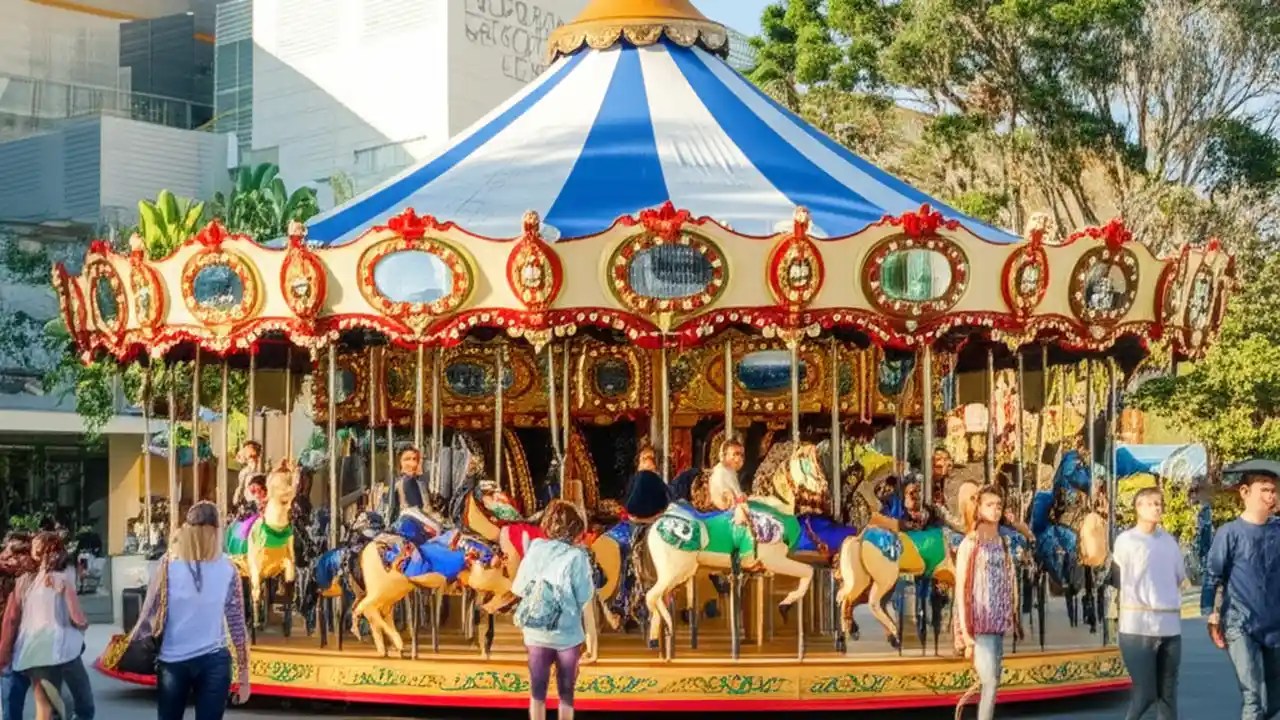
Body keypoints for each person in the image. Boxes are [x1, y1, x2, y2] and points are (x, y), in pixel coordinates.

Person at [139, 502, 251, 720]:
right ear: (217, 532)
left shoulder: (168, 565)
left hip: (175, 660)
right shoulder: (227, 569)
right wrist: (244, 677)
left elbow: (148, 613)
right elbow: (237, 625)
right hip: (210, 661)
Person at [1204, 468, 1280, 720]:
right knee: (1253, 697)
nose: (1271, 496)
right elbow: (1213, 574)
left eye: (1273, 490)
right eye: (1264, 490)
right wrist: (1212, 614)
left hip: (1274, 623)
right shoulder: (1230, 533)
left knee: (1274, 698)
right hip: (1240, 623)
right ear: (1245, 492)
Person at [511, 499, 597, 720]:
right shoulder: (577, 556)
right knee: (566, 692)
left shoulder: (536, 548)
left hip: (535, 634)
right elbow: (584, 595)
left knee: (537, 691)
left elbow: (519, 587)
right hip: (567, 635)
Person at [0, 532, 94, 720]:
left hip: (30, 649)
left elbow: (11, 619)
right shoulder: (59, 576)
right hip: (54, 650)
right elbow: (78, 619)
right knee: (78, 705)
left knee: (43, 707)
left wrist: (4, 653)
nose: (10, 559)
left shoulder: (26, 580)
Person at [1113, 487, 1184, 720]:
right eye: (1151, 503)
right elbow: (1118, 578)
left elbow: (1179, 578)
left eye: (1159, 503)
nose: (1157, 508)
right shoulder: (1126, 541)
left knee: (1168, 695)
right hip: (1137, 627)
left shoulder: (1169, 542)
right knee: (1146, 693)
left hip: (1170, 626)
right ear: (1138, 507)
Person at [953, 485, 1021, 720]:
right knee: (990, 681)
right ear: (979, 509)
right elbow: (961, 588)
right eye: (989, 505)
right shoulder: (970, 544)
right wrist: (964, 631)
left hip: (997, 621)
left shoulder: (1002, 542)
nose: (995, 510)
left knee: (993, 681)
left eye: (998, 505)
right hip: (978, 623)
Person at [0, 532, 36, 720]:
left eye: (18, 553)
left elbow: (12, 618)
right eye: (8, 551)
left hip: (25, 644)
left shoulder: (30, 577)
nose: (9, 558)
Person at [622, 445, 668, 520]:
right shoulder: (637, 478)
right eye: (644, 458)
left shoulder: (654, 479)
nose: (647, 461)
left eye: (649, 458)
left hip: (648, 518)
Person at [231, 440, 263, 509]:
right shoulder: (245, 472)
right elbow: (241, 487)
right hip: (250, 504)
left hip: (258, 504)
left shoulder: (249, 471)